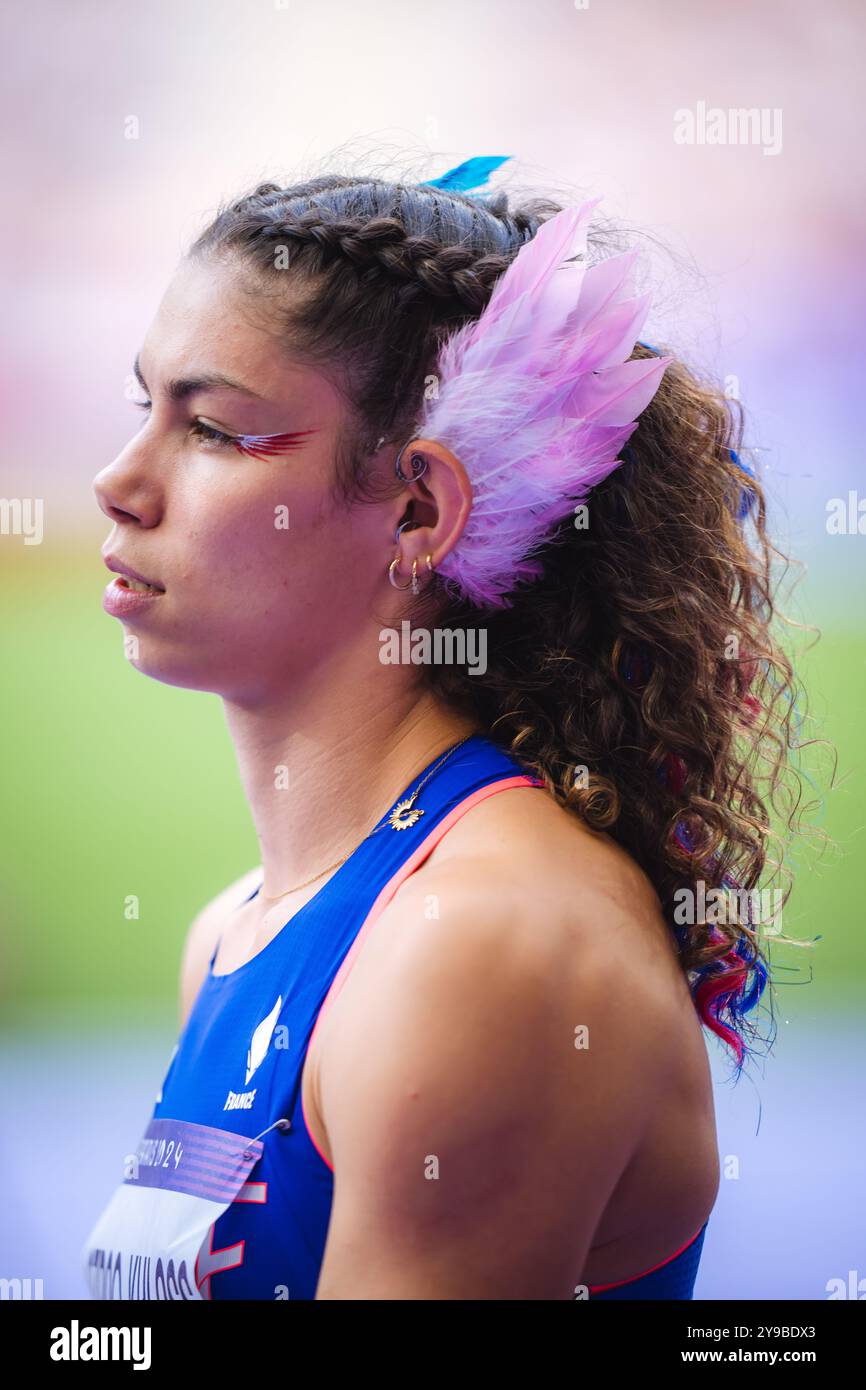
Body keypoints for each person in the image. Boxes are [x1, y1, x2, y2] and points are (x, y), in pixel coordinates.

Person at [83, 160, 799, 1301]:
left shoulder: (476, 947)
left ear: (417, 511)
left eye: (212, 428)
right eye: (145, 408)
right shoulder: (233, 929)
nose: (119, 483)